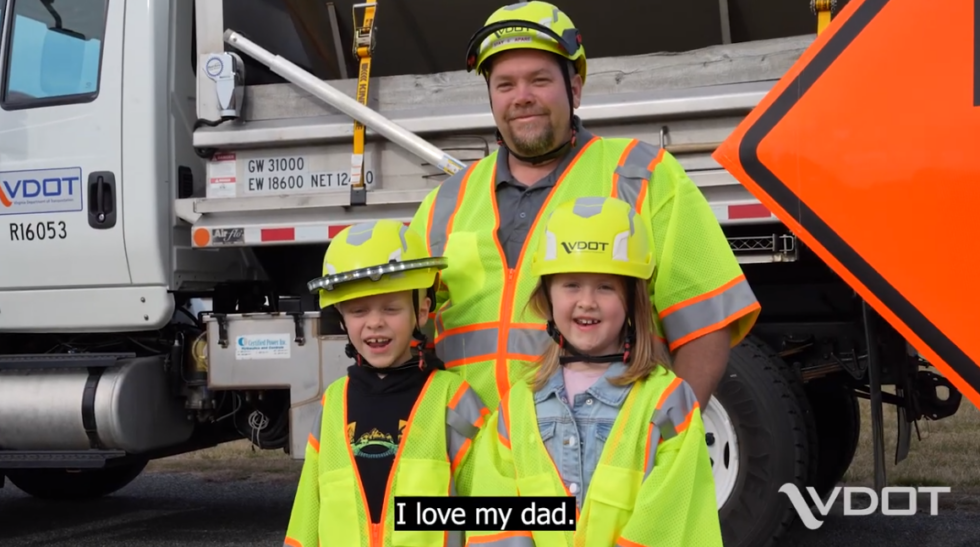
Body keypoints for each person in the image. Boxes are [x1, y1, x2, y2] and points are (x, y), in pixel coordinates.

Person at [409, 0, 761, 413]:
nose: (521, 97)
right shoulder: (444, 203)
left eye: (539, 80)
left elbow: (706, 321)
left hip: (599, 460)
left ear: (574, 87)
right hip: (476, 464)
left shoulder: (641, 175)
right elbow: (406, 338)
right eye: (505, 85)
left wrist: (668, 437)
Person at [460, 196, 723, 547]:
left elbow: (670, 516)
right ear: (547, 299)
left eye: (605, 286)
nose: (587, 301)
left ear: (632, 301)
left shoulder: (666, 403)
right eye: (571, 285)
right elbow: (499, 513)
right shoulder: (518, 407)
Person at [283, 219, 489, 547]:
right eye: (359, 310)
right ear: (341, 318)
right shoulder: (334, 402)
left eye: (391, 308)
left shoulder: (453, 399)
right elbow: (309, 507)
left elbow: (486, 507)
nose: (375, 323)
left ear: (421, 311)